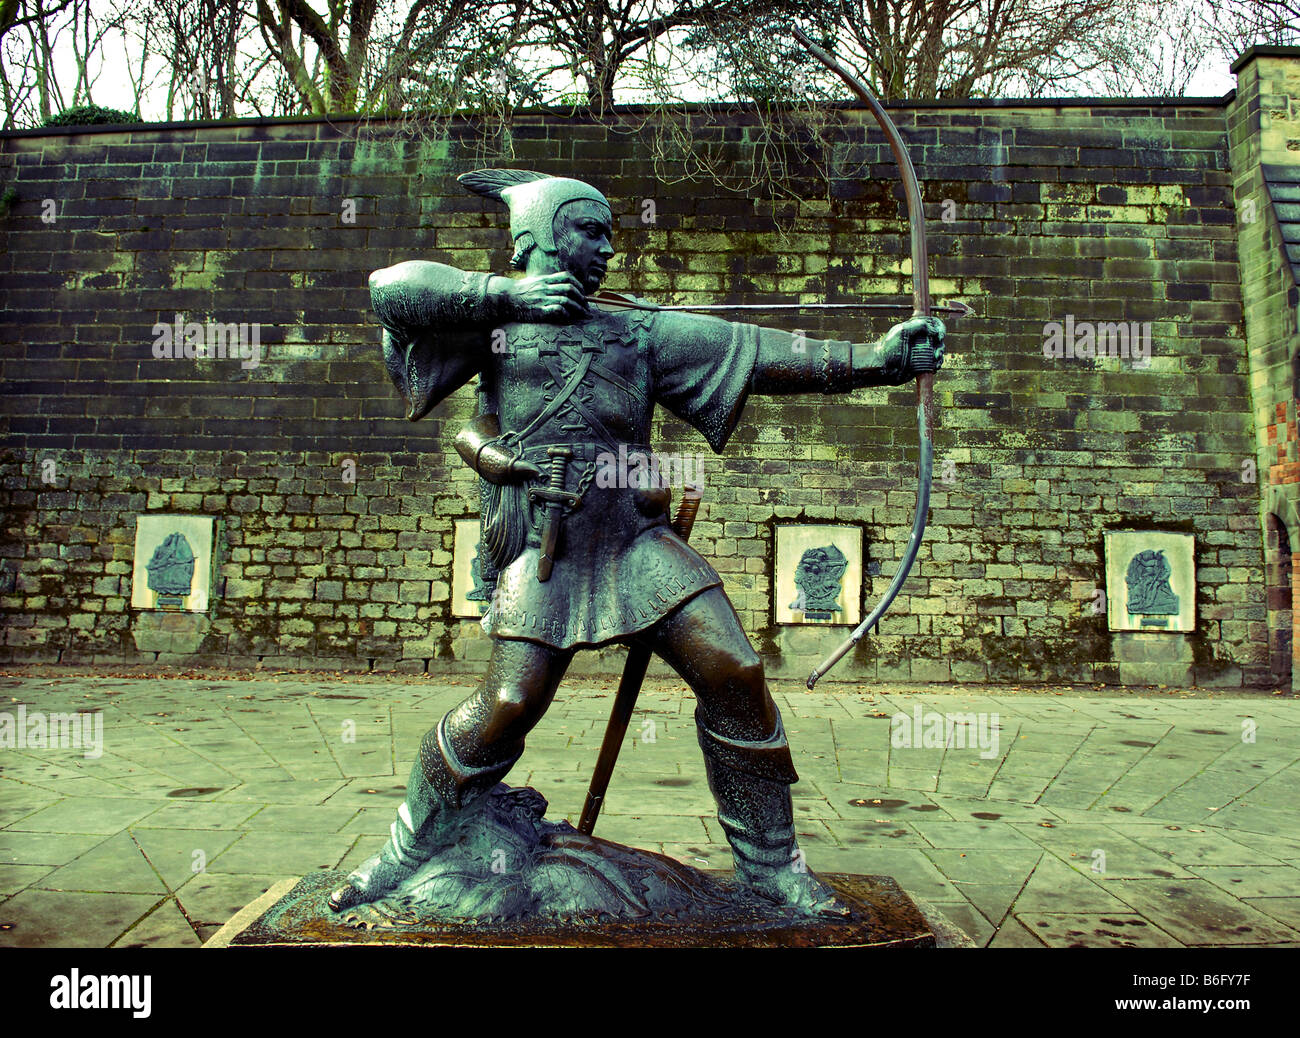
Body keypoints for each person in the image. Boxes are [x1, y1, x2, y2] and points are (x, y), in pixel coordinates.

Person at [329, 169, 945, 917]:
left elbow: (754, 349)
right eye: (590, 231)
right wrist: (504, 296)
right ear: (541, 238)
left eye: (610, 232)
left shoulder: (637, 329)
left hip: (633, 541)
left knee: (734, 669)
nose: (608, 249)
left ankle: (773, 867)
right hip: (548, 548)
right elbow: (388, 288)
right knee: (507, 702)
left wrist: (877, 360)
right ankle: (401, 855)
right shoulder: (491, 322)